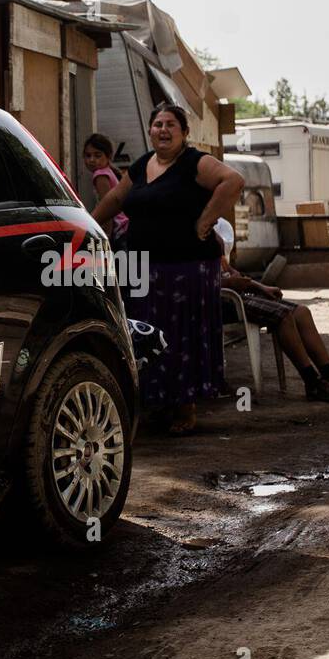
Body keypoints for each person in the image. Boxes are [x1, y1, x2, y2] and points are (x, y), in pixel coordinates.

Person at [91, 103, 243, 435]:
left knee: (180, 336)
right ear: (149, 130)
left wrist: (206, 220)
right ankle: (156, 402)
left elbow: (233, 181)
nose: (163, 129)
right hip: (144, 267)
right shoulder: (143, 164)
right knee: (147, 336)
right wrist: (87, 227)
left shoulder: (194, 162)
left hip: (185, 269)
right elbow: (116, 199)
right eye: (157, 124)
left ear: (185, 132)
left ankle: (184, 406)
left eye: (171, 124)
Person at [213, 217, 329, 399]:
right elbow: (200, 282)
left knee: (302, 312)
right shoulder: (195, 236)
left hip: (235, 294)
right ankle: (312, 382)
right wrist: (229, 282)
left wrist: (260, 287)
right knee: (283, 315)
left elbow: (231, 271)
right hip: (221, 301)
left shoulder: (213, 232)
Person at [82, 133, 129, 250]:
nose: (92, 160)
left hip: (121, 232)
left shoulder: (101, 175)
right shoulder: (107, 171)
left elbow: (107, 210)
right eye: (88, 156)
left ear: (108, 157)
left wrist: (106, 237)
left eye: (97, 155)